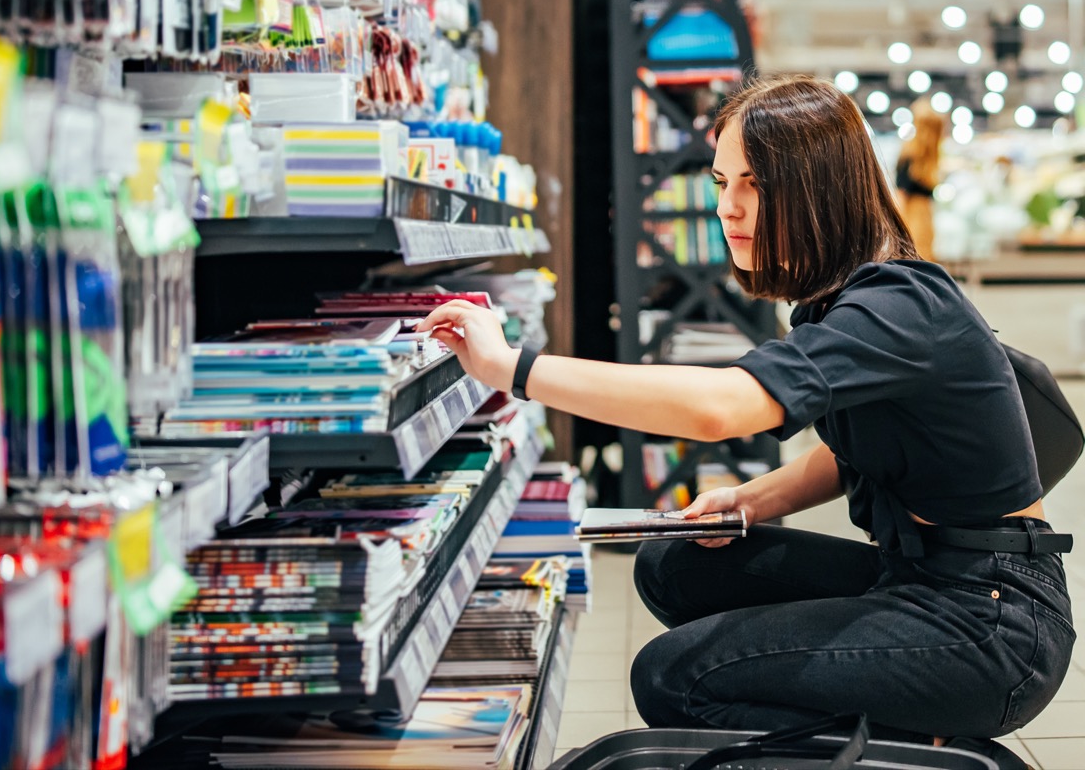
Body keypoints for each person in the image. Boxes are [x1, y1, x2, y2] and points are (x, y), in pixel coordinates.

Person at [417, 76, 1073, 769]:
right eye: (721, 181)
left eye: (754, 184)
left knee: (674, 678)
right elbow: (868, 448)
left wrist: (514, 368)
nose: (728, 207)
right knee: (675, 566)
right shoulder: (842, 298)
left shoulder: (900, 304)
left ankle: (915, 753)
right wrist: (754, 500)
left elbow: (719, 409)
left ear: (816, 187)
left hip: (994, 622)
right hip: (916, 577)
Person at [895, 100, 944, 260]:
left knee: (918, 255)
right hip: (915, 214)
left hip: (918, 214)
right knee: (918, 255)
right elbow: (901, 193)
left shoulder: (916, 154)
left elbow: (901, 191)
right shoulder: (916, 155)